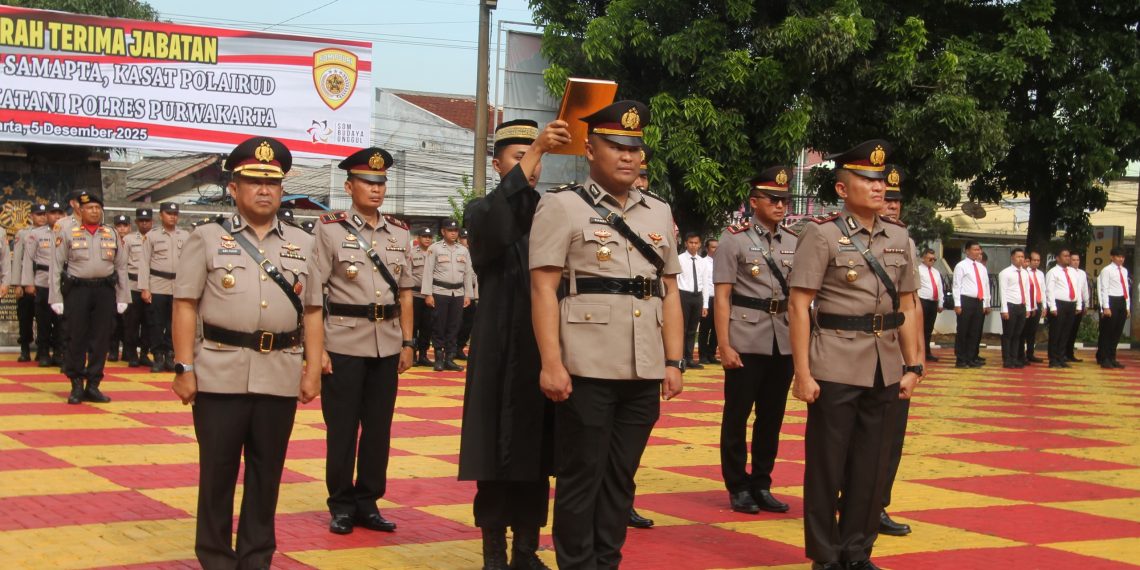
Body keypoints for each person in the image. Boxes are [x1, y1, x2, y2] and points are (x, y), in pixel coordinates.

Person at [530, 100, 684, 569]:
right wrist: (551, 363)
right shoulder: (563, 206)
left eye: (635, 148)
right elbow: (543, 288)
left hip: (643, 366)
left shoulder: (658, 212)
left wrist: (674, 361)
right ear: (590, 149)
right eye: (616, 146)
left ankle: (607, 561)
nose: (627, 156)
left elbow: (669, 290)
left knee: (621, 477)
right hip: (586, 365)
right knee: (582, 476)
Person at [171, 137, 323, 570]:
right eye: (252, 181)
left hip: (279, 373)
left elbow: (312, 310)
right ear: (233, 188)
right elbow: (185, 304)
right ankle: (216, 559)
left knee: (266, 475)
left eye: (272, 182)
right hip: (219, 371)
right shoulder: (206, 237)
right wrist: (184, 366)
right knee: (217, 475)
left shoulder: (303, 242)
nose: (263, 190)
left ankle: (256, 558)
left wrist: (313, 369)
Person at [788, 140, 923, 570]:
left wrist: (914, 364)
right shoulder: (822, 234)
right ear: (843, 189)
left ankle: (858, 551)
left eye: (881, 180)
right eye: (867, 179)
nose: (878, 187)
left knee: (872, 466)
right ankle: (826, 556)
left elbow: (909, 305)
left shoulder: (900, 238)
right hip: (835, 361)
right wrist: (802, 373)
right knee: (828, 466)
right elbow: (799, 304)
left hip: (885, 365)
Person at [460, 118, 569, 570]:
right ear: (497, 163)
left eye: (536, 154)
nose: (533, 163)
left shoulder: (554, 213)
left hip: (542, 352)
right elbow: (497, 231)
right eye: (520, 155)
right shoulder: (481, 210)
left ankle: (526, 550)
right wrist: (537, 152)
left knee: (537, 456)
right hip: (497, 350)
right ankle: (493, 555)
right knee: (493, 458)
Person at [313, 146, 414, 536]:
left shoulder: (400, 233)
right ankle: (340, 503)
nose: (375, 190)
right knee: (341, 429)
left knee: (378, 428)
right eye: (368, 182)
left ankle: (368, 501)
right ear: (349, 185)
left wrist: (407, 342)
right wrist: (317, 348)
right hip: (342, 343)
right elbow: (314, 295)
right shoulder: (329, 229)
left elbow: (405, 292)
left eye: (381, 183)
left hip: (386, 344)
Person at [713, 166, 797, 515]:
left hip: (784, 338)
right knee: (737, 415)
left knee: (771, 417)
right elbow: (721, 296)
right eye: (772, 199)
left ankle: (762, 482)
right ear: (754, 201)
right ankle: (737, 486)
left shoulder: (794, 240)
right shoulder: (734, 238)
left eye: (784, 200)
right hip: (746, 336)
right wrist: (724, 344)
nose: (780, 205)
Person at [49, 191, 129, 404]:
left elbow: (121, 267)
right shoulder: (68, 232)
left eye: (97, 208)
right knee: (76, 337)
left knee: (101, 338)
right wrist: (55, 297)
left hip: (104, 290)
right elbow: (56, 267)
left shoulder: (110, 233)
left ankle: (93, 384)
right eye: (90, 208)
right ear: (80, 210)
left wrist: (123, 296)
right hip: (77, 290)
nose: (94, 211)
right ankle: (76, 383)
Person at [140, 203, 189, 372]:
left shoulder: (186, 235)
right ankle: (158, 356)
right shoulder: (152, 236)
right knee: (156, 322)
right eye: (169, 213)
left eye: (175, 213)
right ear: (161, 215)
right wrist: (144, 288)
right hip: (158, 284)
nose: (173, 216)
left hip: (178, 285)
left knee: (174, 322)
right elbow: (144, 263)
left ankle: (170, 354)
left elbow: (190, 263)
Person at [421, 218, 473, 372]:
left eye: (455, 230)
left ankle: (449, 358)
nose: (453, 233)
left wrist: (468, 295)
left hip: (457, 293)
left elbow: (468, 274)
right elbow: (428, 272)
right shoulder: (434, 248)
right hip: (439, 292)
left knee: (455, 325)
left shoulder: (463, 250)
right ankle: (438, 358)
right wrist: (428, 294)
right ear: (443, 232)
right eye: (450, 230)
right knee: (439, 325)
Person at [24, 202, 65, 367]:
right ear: (46, 215)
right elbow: (28, 260)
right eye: (52, 213)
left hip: (62, 284)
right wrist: (28, 282)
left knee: (61, 321)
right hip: (42, 281)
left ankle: (59, 353)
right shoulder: (35, 234)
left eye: (59, 213)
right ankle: (43, 353)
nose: (56, 216)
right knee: (43, 320)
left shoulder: (69, 233)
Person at [11, 204, 48, 362]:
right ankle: (25, 348)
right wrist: (18, 284)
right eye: (38, 214)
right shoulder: (23, 233)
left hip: (43, 282)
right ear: (31, 216)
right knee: (25, 317)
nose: (42, 217)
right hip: (26, 282)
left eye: (44, 214)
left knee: (44, 319)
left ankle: (42, 349)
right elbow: (17, 259)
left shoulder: (51, 233)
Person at [122, 208, 155, 368]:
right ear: (136, 222)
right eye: (141, 220)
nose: (144, 223)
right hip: (133, 285)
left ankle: (144, 353)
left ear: (152, 222)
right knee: (132, 322)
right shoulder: (128, 240)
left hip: (151, 286)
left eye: (147, 220)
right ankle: (132, 354)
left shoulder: (156, 238)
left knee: (149, 322)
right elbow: (122, 264)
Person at [952, 241, 989, 368]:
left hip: (978, 301)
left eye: (979, 250)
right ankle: (961, 359)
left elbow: (985, 286)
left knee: (975, 331)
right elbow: (956, 285)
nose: (977, 252)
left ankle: (971, 357)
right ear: (967, 251)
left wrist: (986, 303)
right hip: (965, 300)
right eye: (974, 249)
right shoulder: (961, 266)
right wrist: (957, 304)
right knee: (963, 330)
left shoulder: (982, 268)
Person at [677, 232, 711, 369]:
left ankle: (689, 358)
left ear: (700, 244)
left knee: (692, 329)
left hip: (697, 297)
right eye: (691, 242)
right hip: (683, 294)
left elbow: (705, 283)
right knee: (682, 328)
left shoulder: (703, 262)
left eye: (696, 243)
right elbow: (677, 279)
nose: (693, 245)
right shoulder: (679, 259)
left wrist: (705, 304)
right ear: (686, 243)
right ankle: (679, 357)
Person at [1045, 248, 1080, 368]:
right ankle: (1053, 359)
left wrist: (1078, 304)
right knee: (1056, 332)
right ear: (1058, 258)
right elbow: (1049, 290)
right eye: (1065, 256)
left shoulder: (1073, 272)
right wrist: (1052, 307)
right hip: (1059, 304)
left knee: (1066, 332)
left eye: (1068, 256)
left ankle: (1061, 357)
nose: (1068, 258)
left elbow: (1077, 288)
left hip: (1071, 304)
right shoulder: (1053, 272)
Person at [1096, 247, 1130, 369]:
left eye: (1122, 257)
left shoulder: (1124, 271)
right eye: (1118, 256)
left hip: (1121, 300)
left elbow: (1125, 288)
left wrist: (1127, 306)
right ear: (1112, 257)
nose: (1121, 259)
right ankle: (1104, 358)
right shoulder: (1107, 270)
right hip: (1111, 300)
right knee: (1107, 331)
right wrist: (1106, 307)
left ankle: (1112, 357)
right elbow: (1104, 288)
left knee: (1117, 331)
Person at [997, 249, 1030, 368]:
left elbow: (1026, 291)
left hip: (1021, 306)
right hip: (1010, 306)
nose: (1020, 259)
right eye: (1018, 257)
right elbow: (1003, 292)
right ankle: (1007, 359)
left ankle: (1015, 358)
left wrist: (1028, 308)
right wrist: (1004, 309)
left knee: (1017, 334)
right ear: (1012, 258)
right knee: (1008, 334)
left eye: (1022, 257)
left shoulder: (1025, 273)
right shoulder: (1005, 273)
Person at [408, 227, 436, 366]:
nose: (427, 239)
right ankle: (412, 353)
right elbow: (407, 273)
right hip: (415, 294)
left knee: (427, 326)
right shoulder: (412, 253)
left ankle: (423, 355)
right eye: (424, 236)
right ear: (418, 238)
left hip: (430, 295)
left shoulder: (435, 252)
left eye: (430, 237)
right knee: (413, 325)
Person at [108, 214, 132, 362]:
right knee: (112, 320)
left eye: (125, 225)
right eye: (119, 226)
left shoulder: (137, 241)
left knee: (129, 321)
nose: (122, 228)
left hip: (131, 285)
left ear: (129, 227)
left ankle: (128, 351)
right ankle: (113, 350)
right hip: (113, 283)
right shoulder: (109, 240)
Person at [455, 228, 478, 360]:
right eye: (464, 238)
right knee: (455, 322)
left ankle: (459, 347)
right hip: (457, 291)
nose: (467, 241)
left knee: (468, 323)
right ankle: (450, 349)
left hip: (472, 292)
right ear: (459, 239)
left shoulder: (477, 252)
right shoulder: (456, 251)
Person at [1020, 251, 1046, 364]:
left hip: (1038, 304)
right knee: (1023, 330)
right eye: (1034, 260)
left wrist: (1044, 306)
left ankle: (1030, 353)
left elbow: (1043, 290)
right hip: (1028, 304)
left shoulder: (1040, 274)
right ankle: (1021, 355)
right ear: (1029, 260)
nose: (1036, 262)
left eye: (1038, 260)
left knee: (1032, 331)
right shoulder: (1025, 272)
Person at [916, 248, 943, 362]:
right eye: (930, 258)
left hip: (933, 302)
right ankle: (918, 353)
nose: (932, 261)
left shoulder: (936, 272)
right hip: (922, 300)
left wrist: (941, 302)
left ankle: (927, 352)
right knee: (920, 329)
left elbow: (940, 287)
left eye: (934, 259)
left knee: (928, 329)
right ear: (923, 258)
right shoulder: (918, 270)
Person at [1065, 253, 1090, 362]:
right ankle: (1062, 353)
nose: (1076, 262)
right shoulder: (1066, 271)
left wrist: (1087, 303)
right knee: (1066, 330)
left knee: (1074, 330)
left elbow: (1084, 289)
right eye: (1073, 260)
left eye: (1077, 259)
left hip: (1080, 303)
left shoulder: (1082, 273)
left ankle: (1070, 353)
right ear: (1069, 261)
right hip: (1070, 303)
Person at [698, 237, 719, 365]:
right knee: (705, 329)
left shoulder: (723, 262)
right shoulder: (703, 262)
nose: (716, 250)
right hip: (707, 298)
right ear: (707, 248)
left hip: (720, 299)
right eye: (713, 247)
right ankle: (703, 355)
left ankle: (712, 353)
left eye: (718, 247)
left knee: (717, 328)